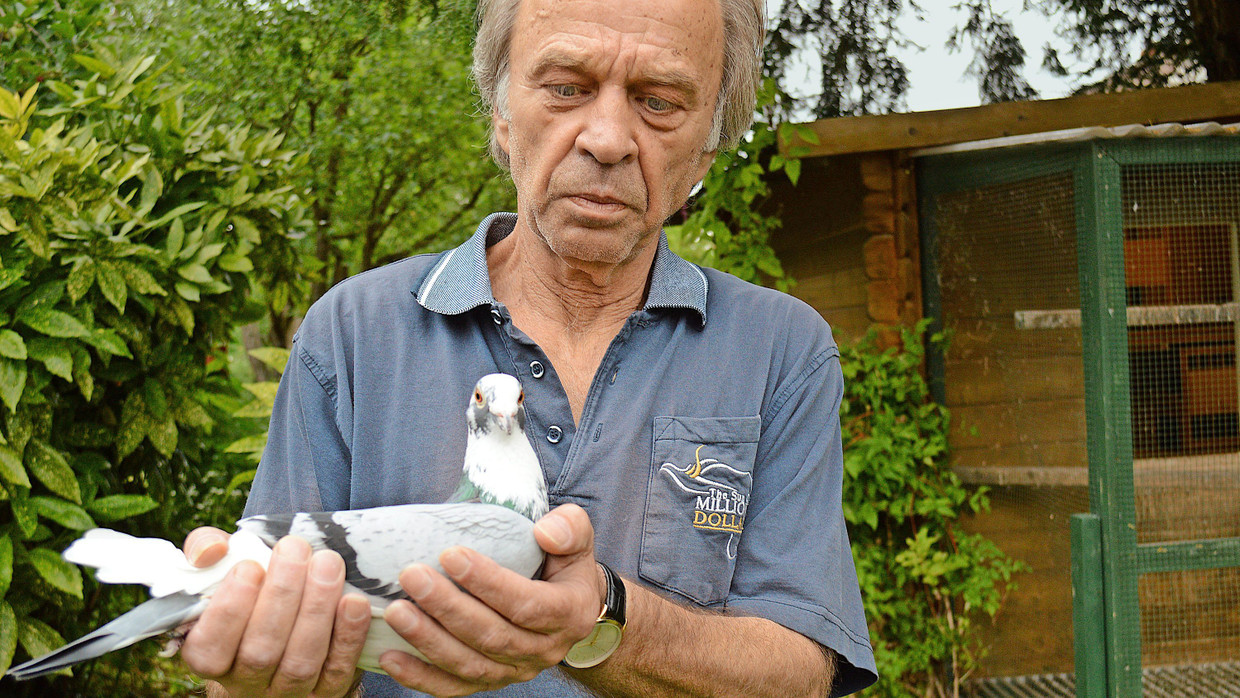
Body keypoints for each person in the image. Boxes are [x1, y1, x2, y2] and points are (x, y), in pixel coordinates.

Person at [178, 0, 879, 695]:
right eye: (566, 88)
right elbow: (253, 653)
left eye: (659, 101)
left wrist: (602, 618)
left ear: (712, 140)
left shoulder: (780, 351)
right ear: (501, 111)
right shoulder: (354, 334)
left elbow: (800, 672)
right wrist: (256, 667)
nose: (607, 138)